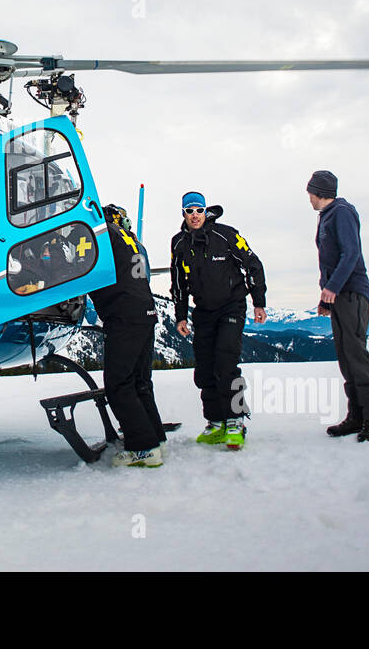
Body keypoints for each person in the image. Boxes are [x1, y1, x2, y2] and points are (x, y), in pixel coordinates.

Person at [171, 192, 266, 450]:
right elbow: (178, 283)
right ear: (183, 213)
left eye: (198, 209)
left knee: (226, 362)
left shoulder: (226, 235)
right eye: (189, 210)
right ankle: (215, 422)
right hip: (202, 311)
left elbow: (253, 264)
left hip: (231, 307)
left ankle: (235, 421)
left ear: (205, 211)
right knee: (204, 368)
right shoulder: (179, 243)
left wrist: (259, 301)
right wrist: (181, 315)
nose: (194, 215)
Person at [307, 170, 369, 442]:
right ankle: (358, 416)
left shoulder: (342, 212)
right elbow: (329, 261)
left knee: (356, 355)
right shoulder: (328, 215)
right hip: (340, 295)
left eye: (310, 192)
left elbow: (351, 253)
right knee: (345, 356)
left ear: (319, 192)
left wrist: (333, 288)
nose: (308, 197)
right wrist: (326, 297)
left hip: (352, 293)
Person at [90, 204, 167, 467]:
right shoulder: (133, 242)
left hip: (123, 316)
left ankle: (143, 447)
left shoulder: (104, 235)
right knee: (140, 381)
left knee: (119, 384)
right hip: (146, 312)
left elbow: (81, 264)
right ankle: (156, 439)